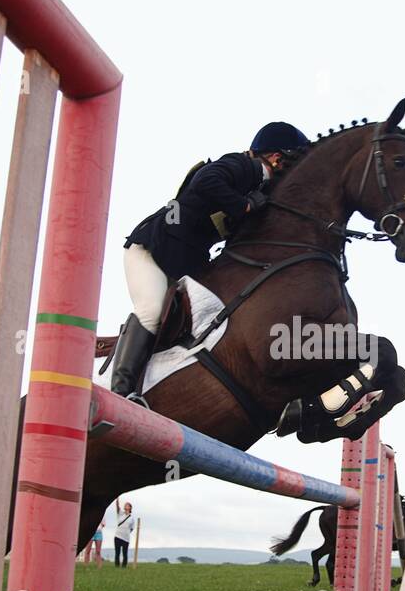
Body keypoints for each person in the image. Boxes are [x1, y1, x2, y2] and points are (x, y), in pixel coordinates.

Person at [111, 121, 311, 402]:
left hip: (187, 261)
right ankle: (120, 391)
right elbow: (205, 181)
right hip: (151, 251)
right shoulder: (243, 166)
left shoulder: (260, 187)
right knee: (151, 310)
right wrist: (243, 206)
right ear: (277, 158)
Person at [114, 498, 136, 568]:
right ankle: (117, 566)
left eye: (127, 505)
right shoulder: (121, 514)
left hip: (126, 538)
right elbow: (117, 507)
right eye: (125, 505)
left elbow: (132, 528)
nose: (126, 506)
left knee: (124, 553)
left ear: (130, 508)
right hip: (118, 536)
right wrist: (117, 500)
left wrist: (127, 532)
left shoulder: (131, 518)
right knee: (117, 552)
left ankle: (124, 566)